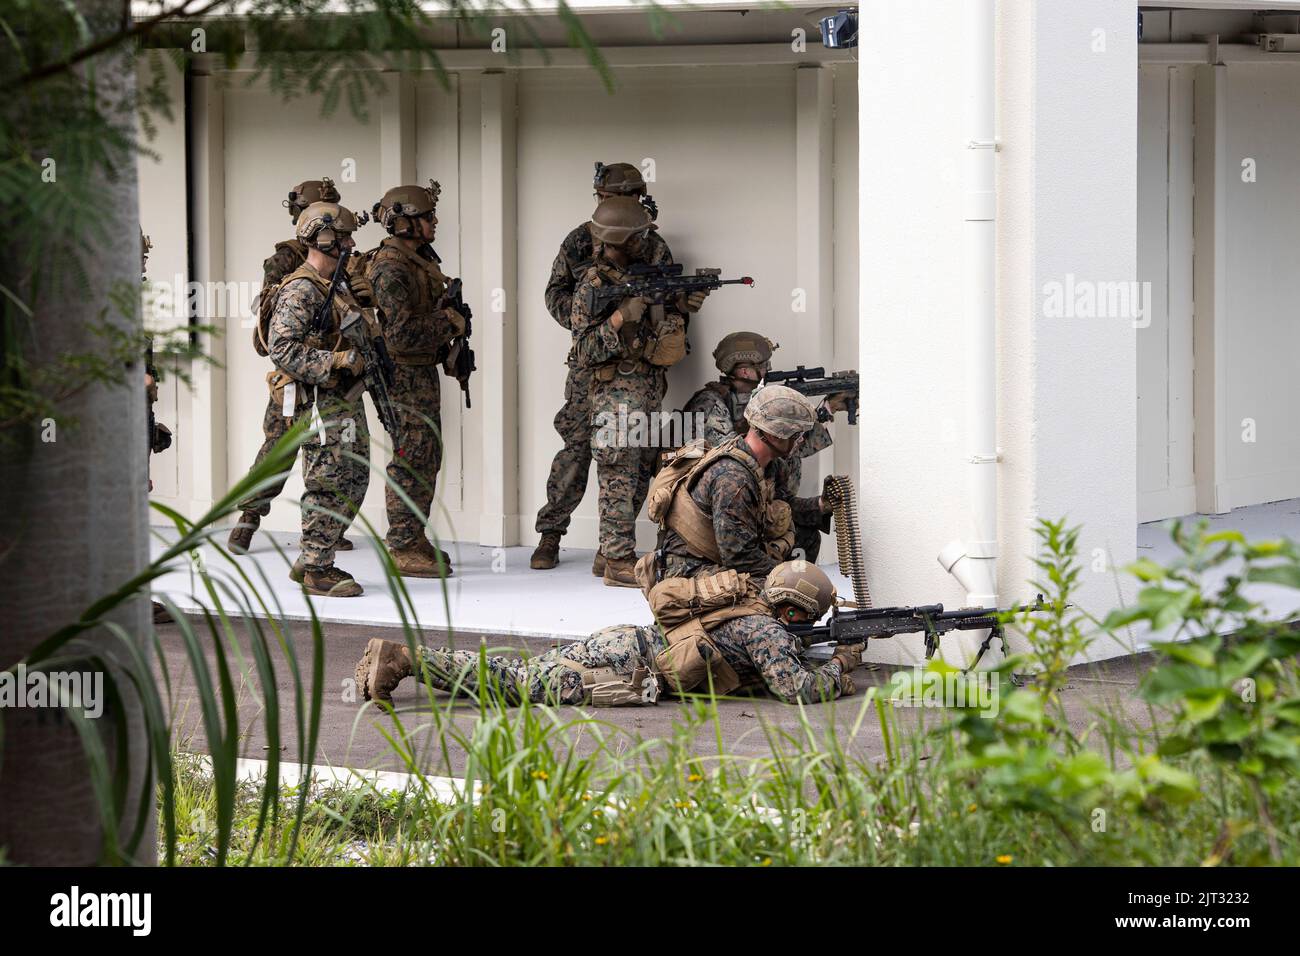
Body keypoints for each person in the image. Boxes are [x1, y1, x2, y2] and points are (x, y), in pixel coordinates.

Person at [354, 560, 862, 704]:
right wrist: (840, 667)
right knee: (515, 686)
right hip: (626, 670)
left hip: (628, 640)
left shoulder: (750, 604)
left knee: (521, 673)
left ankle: (409, 659)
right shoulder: (767, 632)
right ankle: (405, 659)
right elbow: (795, 689)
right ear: (800, 610)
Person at [530, 162, 706, 575]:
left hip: (637, 373)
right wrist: (605, 317)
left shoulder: (653, 245)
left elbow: (663, 301)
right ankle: (551, 534)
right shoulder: (581, 242)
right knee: (579, 452)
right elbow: (560, 300)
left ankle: (611, 548)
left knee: (634, 455)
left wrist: (673, 310)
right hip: (591, 370)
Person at [568, 195, 698, 588]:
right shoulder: (592, 285)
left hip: (646, 388)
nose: (646, 241)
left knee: (642, 471)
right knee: (617, 474)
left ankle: (611, 551)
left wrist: (680, 305)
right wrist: (621, 317)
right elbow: (582, 350)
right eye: (639, 235)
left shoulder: (643, 273)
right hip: (614, 394)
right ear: (621, 239)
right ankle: (619, 560)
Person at [228, 178, 357, 555]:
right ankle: (249, 516)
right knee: (280, 448)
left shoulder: (340, 257)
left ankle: (326, 531)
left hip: (331, 379)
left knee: (341, 456)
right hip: (296, 376)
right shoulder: (286, 261)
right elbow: (277, 324)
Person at [266, 200, 375, 597]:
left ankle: (315, 551)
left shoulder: (337, 284)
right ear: (323, 237)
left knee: (356, 477)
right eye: (344, 236)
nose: (350, 242)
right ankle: (317, 568)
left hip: (344, 400)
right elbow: (283, 348)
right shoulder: (301, 289)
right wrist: (338, 360)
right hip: (319, 401)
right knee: (327, 480)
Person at [361, 181, 465, 578]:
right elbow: (398, 334)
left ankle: (412, 535)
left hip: (420, 370)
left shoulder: (417, 260)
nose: (434, 222)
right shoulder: (391, 267)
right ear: (404, 223)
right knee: (411, 457)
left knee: (426, 454)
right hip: (401, 374)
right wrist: (447, 321)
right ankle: (402, 545)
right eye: (427, 217)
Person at [682, 331, 853, 562]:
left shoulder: (766, 443)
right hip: (716, 513)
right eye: (763, 365)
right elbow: (734, 458)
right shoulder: (709, 406)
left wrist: (821, 505)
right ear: (744, 370)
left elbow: (789, 449)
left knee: (805, 535)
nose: (767, 369)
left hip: (758, 502)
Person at [652, 384, 838, 583]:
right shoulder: (733, 479)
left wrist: (820, 505)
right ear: (776, 434)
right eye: (798, 435)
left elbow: (784, 505)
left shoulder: (771, 466)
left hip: (730, 551)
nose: (801, 441)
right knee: (785, 593)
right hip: (692, 567)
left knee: (806, 537)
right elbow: (739, 558)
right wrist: (791, 577)